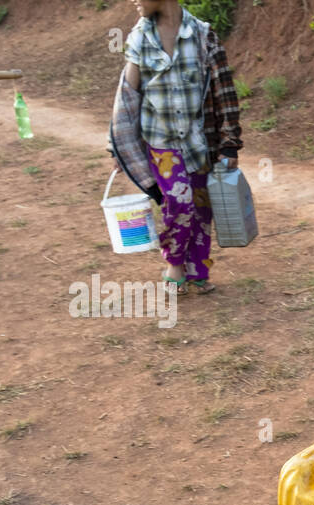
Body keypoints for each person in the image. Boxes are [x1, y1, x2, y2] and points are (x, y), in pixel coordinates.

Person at [114, 0, 241, 294]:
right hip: (161, 145)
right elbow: (127, 98)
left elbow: (225, 92)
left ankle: (198, 270)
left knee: (201, 207)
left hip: (199, 143)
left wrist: (230, 144)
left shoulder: (203, 36)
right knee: (179, 203)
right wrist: (117, 145)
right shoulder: (139, 38)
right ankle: (174, 263)